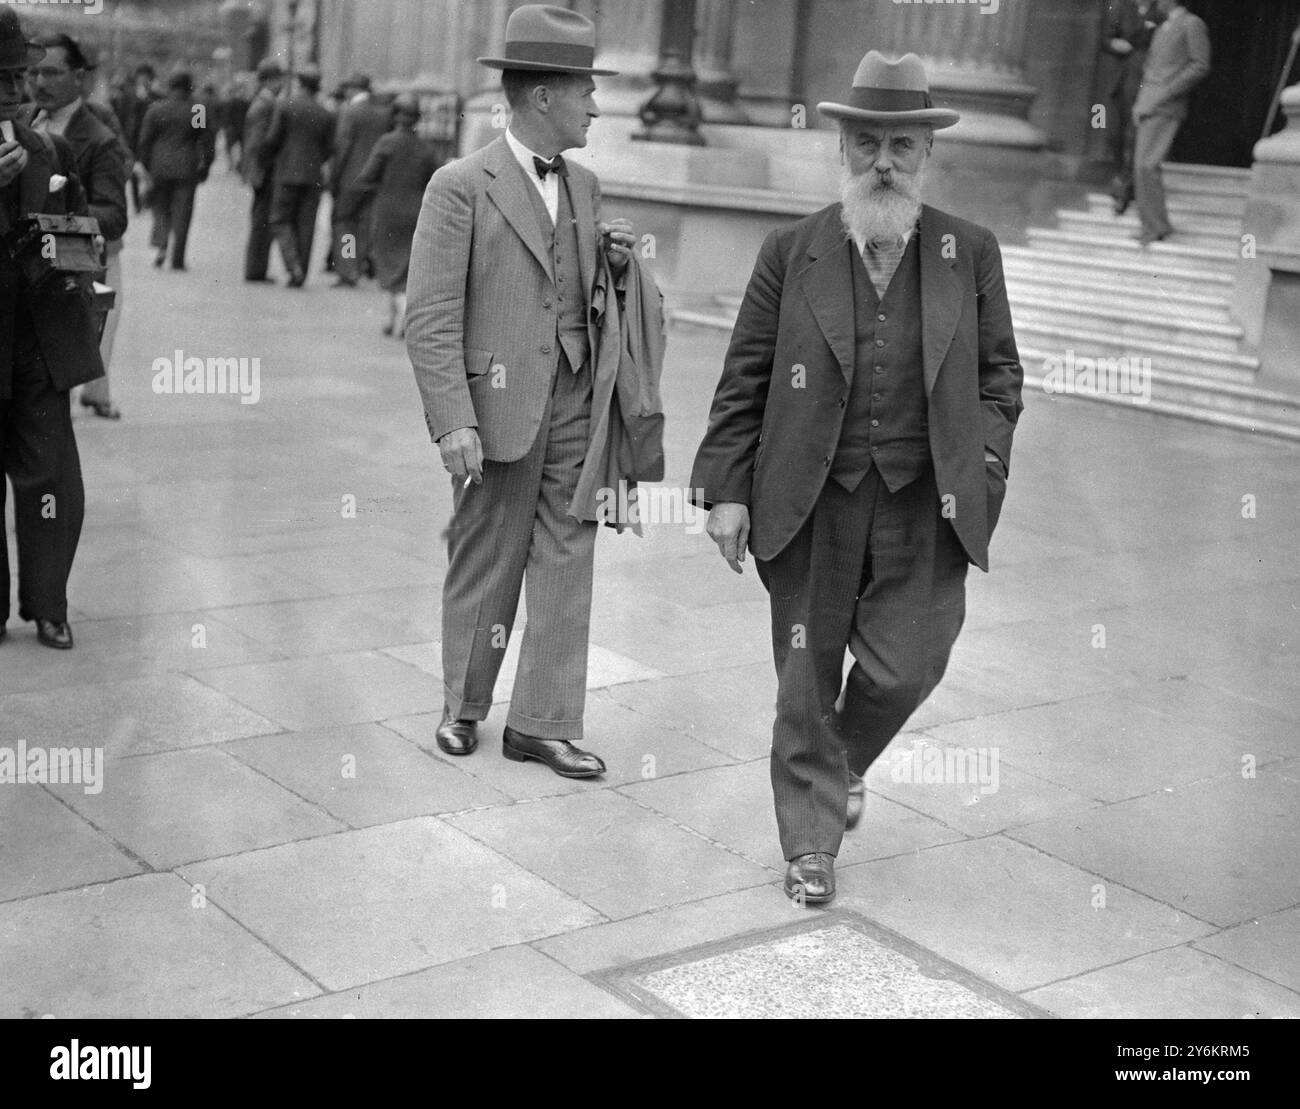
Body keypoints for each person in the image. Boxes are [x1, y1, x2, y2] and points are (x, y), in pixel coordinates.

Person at [690, 51, 1024, 905]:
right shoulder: (790, 251)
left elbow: (999, 378)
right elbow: (746, 377)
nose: (883, 160)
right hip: (811, 497)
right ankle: (810, 845)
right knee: (807, 675)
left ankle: (835, 767)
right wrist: (726, 487)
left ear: (925, 155)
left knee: (905, 667)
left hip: (927, 498)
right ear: (842, 147)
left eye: (901, 146)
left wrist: (982, 465)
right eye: (868, 141)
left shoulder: (969, 252)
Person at [405, 5, 637, 777]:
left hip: (574, 400)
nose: (597, 106)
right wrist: (451, 421)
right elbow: (431, 315)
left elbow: (577, 292)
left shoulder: (588, 185)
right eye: (585, 91)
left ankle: (542, 722)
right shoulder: (458, 186)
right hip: (496, 406)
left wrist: (618, 270)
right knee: (486, 556)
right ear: (543, 97)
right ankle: (463, 707)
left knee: (570, 556)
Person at [0, 10, 106, 649]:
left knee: (50, 478)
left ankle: (48, 603)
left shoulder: (51, 150)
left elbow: (83, 239)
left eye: (20, 79)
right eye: (3, 81)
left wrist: (53, 239)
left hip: (37, 343)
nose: (18, 95)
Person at [21, 32, 128, 421]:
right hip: (29, 262)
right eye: (33, 73)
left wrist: (55, 216)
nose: (40, 83)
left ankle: (94, 396)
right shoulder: (23, 118)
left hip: (81, 260)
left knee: (94, 337)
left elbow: (115, 216)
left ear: (79, 77)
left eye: (52, 72)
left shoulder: (100, 139)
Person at [339, 93, 439, 337]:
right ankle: (391, 317)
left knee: (387, 264)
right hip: (416, 213)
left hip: (387, 213)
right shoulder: (426, 148)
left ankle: (401, 313)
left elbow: (367, 176)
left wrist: (356, 198)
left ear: (396, 116)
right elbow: (436, 181)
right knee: (404, 268)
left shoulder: (386, 142)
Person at [1131, 0, 1210, 245]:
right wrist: (1140, 102)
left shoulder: (1192, 23)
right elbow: (1149, 70)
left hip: (1167, 105)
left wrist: (1167, 91)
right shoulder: (1162, 27)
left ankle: (1156, 226)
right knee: (1140, 166)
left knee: (1147, 165)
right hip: (1148, 104)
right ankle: (1152, 224)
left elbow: (1200, 65)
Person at [262, 64, 333, 288]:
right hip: (313, 175)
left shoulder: (285, 105)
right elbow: (329, 148)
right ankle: (299, 271)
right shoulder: (325, 113)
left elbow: (273, 139)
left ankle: (293, 266)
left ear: (299, 83)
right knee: (306, 225)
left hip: (286, 173)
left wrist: (268, 160)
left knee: (280, 220)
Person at [136, 70, 213, 270]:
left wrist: (146, 165)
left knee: (160, 208)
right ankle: (177, 258)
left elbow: (144, 141)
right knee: (183, 213)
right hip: (187, 167)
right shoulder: (197, 109)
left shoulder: (156, 109)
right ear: (189, 88)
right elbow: (205, 140)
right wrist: (206, 165)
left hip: (159, 167)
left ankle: (161, 246)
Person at [1103, 0, 1166, 215]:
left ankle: (1124, 191)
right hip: (1121, 81)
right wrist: (1115, 44)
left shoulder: (1160, 12)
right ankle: (1122, 179)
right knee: (1115, 135)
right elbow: (1106, 39)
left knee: (1134, 136)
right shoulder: (1122, 8)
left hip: (1144, 81)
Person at [329, 72, 392, 287]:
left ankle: (348, 269)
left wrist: (334, 177)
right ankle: (361, 264)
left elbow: (343, 147)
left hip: (350, 178)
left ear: (354, 89)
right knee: (365, 224)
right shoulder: (382, 113)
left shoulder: (349, 111)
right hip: (373, 178)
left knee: (345, 223)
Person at [241, 57, 284, 283]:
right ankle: (256, 269)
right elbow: (259, 144)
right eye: (279, 80)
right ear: (270, 81)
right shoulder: (265, 105)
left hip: (260, 172)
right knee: (261, 223)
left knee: (262, 222)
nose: (282, 85)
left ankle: (257, 268)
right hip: (264, 173)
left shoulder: (262, 103)